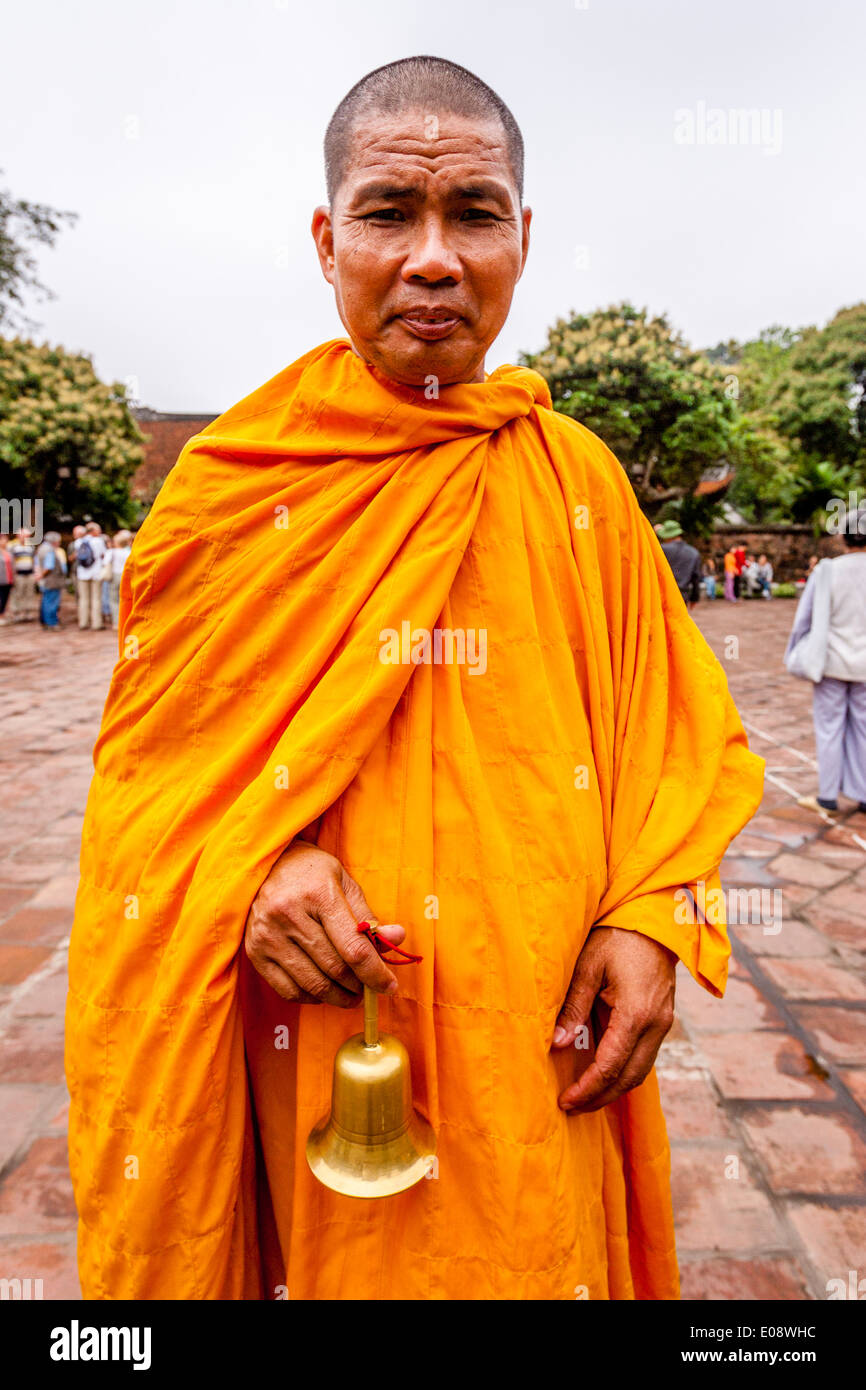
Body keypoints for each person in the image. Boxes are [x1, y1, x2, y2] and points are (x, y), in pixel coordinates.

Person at [66, 55, 764, 1302]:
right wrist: (252, 868)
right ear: (329, 239)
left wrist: (655, 919)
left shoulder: (579, 484)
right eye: (390, 211)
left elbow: (680, 745)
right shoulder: (231, 494)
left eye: (472, 213)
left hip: (535, 1051)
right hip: (315, 1049)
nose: (432, 256)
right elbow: (147, 797)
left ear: (522, 238)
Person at [785, 504, 866, 817]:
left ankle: (828, 796)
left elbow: (804, 619)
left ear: (844, 537)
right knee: (863, 727)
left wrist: (798, 652)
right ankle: (862, 795)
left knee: (830, 727)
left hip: (831, 661)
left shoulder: (828, 570)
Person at [656, 519, 701, 609]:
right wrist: (694, 598)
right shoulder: (693, 552)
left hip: (660, 596)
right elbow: (696, 578)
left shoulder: (660, 549)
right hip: (681, 597)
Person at [75, 521, 107, 629]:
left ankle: (83, 622)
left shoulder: (78, 542)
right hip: (96, 573)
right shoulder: (98, 541)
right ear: (93, 531)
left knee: (83, 599)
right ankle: (96, 623)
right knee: (96, 598)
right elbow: (104, 555)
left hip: (82, 573)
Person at [34, 531, 68, 629]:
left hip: (45, 581)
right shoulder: (49, 550)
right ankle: (52, 623)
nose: (59, 543)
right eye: (58, 541)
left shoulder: (41, 548)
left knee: (46, 601)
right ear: (54, 541)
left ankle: (45, 621)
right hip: (52, 580)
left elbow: (37, 563)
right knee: (52, 602)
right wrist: (41, 575)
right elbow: (49, 567)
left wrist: (39, 575)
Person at [104, 530, 132, 628]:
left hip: (115, 576)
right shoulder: (129, 552)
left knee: (113, 600)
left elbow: (105, 563)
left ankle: (116, 622)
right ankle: (125, 621)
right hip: (126, 576)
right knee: (125, 599)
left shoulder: (111, 552)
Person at [9, 528, 38, 621]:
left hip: (30, 573)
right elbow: (10, 561)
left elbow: (34, 560)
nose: (26, 538)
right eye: (24, 536)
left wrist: (35, 573)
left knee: (29, 593)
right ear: (18, 536)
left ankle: (27, 613)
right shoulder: (13, 546)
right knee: (18, 593)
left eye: (28, 536)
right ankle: (17, 614)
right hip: (18, 574)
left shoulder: (31, 546)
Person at [0, 534, 15, 622]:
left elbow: (12, 566)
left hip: (8, 579)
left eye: (6, 540)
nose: (5, 542)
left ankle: (2, 614)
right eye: (3, 540)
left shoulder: (9, 552)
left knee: (5, 598)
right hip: (0, 580)